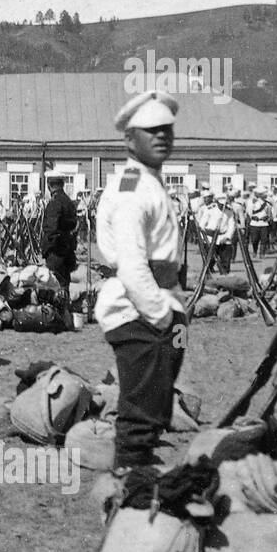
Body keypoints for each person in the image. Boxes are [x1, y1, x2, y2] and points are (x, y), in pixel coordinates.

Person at [94, 90, 186, 469]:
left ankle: (139, 483)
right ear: (130, 140)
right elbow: (133, 265)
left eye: (166, 129)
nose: (162, 136)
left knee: (154, 406)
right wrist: (162, 314)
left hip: (158, 305)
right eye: (151, 131)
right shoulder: (132, 189)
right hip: (140, 311)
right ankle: (132, 494)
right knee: (141, 415)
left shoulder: (147, 181)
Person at [40, 175, 79, 286]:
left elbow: (51, 228)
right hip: (68, 247)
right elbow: (73, 224)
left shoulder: (55, 202)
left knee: (55, 284)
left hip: (56, 250)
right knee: (65, 282)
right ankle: (66, 302)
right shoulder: (68, 201)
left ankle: (61, 302)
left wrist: (48, 249)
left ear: (49, 186)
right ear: (62, 184)